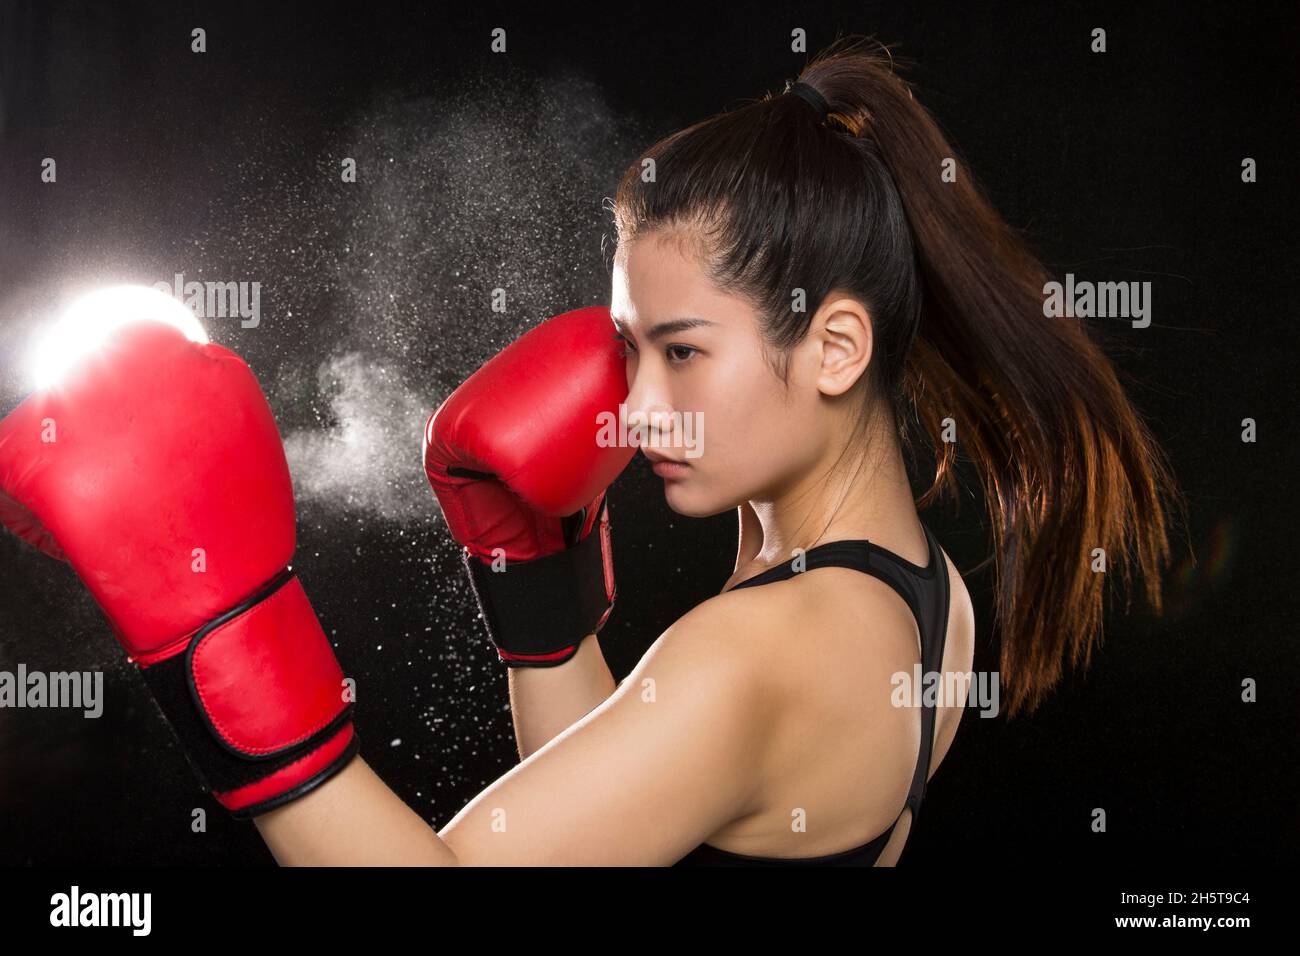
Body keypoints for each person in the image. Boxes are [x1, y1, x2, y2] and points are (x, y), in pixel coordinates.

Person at [0, 36, 1181, 866]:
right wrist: (541, 597)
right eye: (625, 346)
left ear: (831, 347)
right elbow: (620, 821)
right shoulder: (912, 589)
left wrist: (224, 635)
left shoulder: (759, 648)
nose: (636, 403)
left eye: (679, 352)